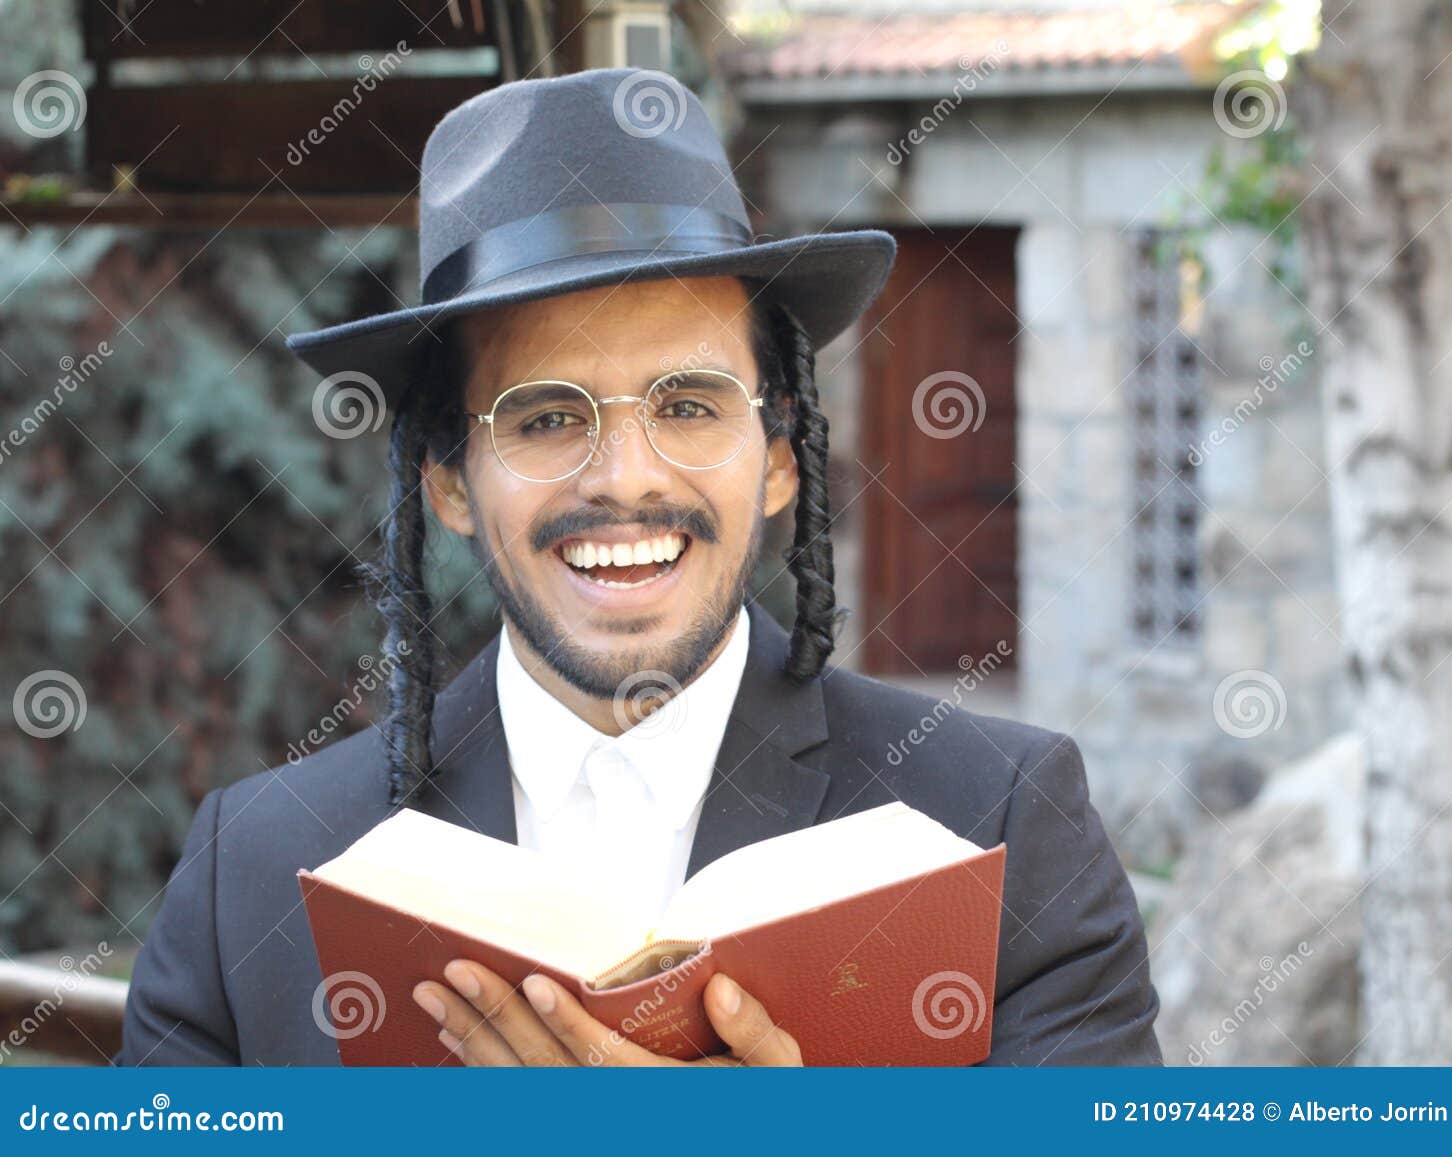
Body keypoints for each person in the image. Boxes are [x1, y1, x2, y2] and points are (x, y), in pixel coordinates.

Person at [115, 67, 1160, 1067]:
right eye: (545, 417)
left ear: (780, 460)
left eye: (689, 405)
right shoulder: (255, 871)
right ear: (450, 481)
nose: (625, 479)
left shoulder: (1000, 825)